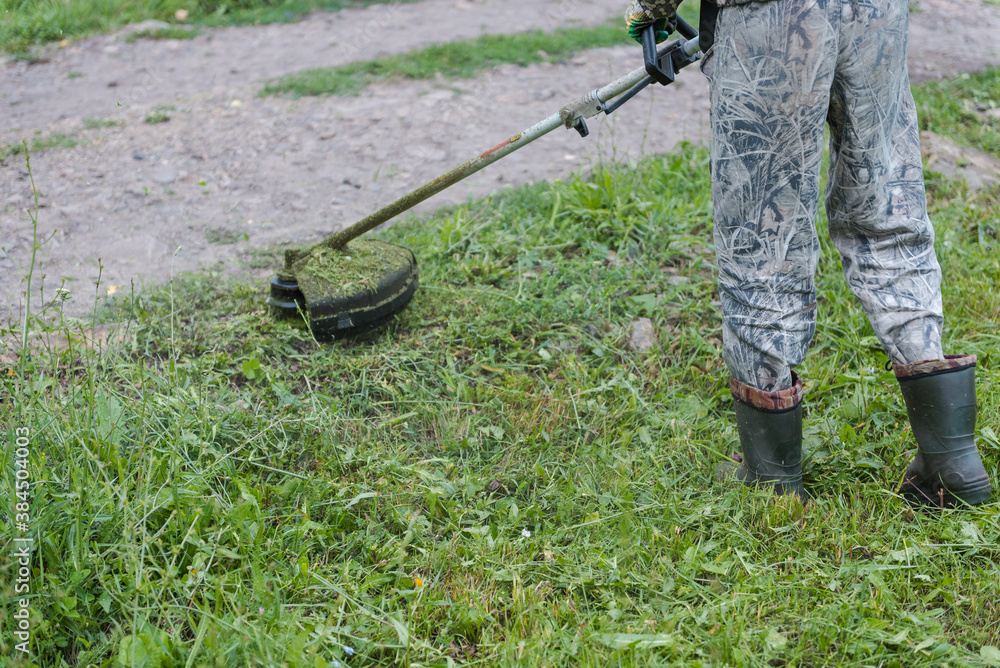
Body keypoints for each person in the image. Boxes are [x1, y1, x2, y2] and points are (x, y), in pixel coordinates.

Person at [624, 0, 993, 506]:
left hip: (774, 16)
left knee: (763, 237)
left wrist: (652, 7)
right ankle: (952, 459)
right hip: (875, 12)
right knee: (887, 209)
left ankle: (772, 481)